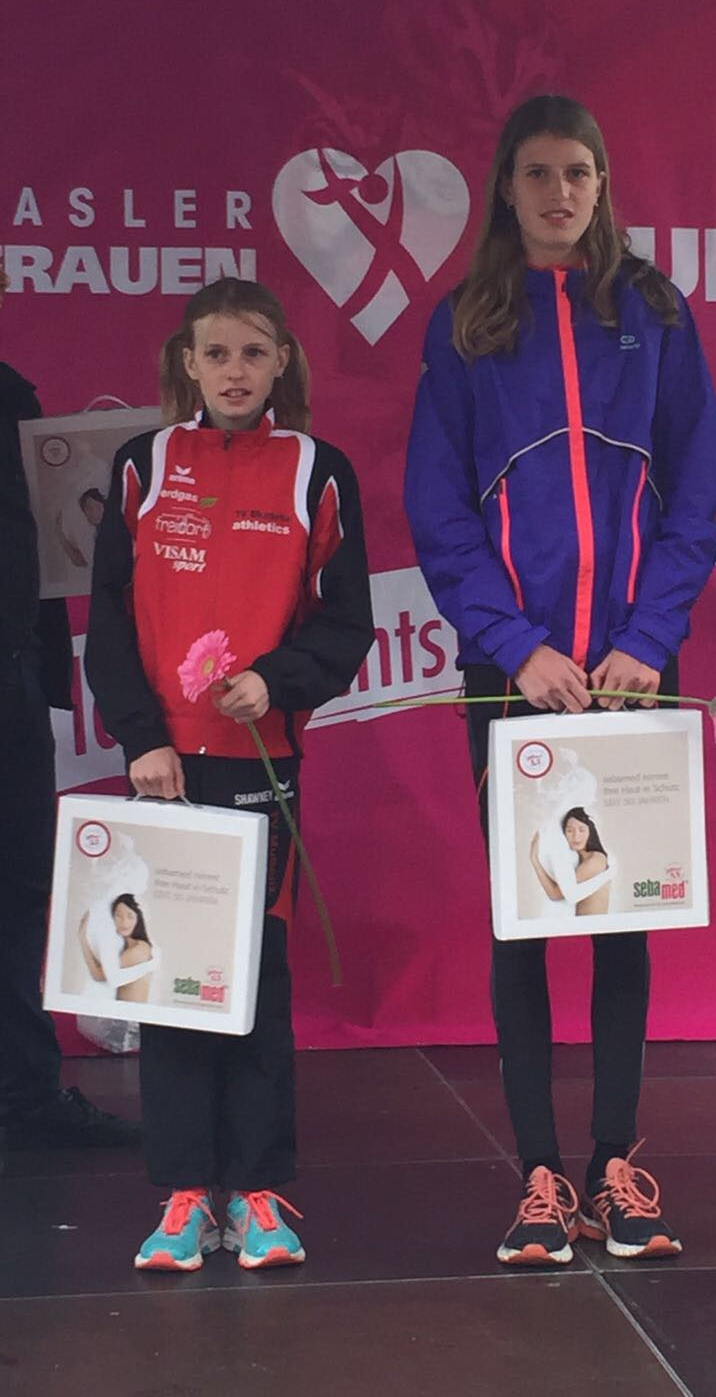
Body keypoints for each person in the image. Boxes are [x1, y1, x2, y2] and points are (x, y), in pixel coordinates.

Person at [405, 94, 716, 1266]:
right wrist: (513, 645)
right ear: (507, 188)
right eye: (537, 173)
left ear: (603, 184)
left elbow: (699, 487)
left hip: (635, 664)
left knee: (623, 921)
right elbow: (438, 511)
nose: (558, 193)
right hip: (516, 672)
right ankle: (541, 1172)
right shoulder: (467, 324)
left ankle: (618, 1167)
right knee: (527, 919)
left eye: (578, 172)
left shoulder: (649, 310)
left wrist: (647, 635)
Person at [85, 277, 373, 1271]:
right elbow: (109, 620)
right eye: (216, 354)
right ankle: (178, 1194)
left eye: (254, 352)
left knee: (254, 977)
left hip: (264, 763)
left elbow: (346, 624)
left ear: (281, 360)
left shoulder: (317, 471)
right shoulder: (142, 465)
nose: (236, 371)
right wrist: (139, 738)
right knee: (170, 984)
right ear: (187, 364)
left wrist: (275, 681)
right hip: (164, 767)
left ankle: (257, 1191)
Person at [0, 265, 138, 1174]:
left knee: (17, 889)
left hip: (5, 676)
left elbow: (43, 545)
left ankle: (25, 1091)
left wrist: (47, 681)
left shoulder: (12, 393)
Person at [530, 808, 613, 917]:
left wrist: (534, 860)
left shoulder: (595, 860)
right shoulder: (581, 861)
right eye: (570, 831)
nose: (576, 836)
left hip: (593, 927)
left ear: (590, 831)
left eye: (581, 830)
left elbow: (555, 894)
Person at [78, 894, 155, 1002]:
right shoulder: (128, 947)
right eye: (118, 916)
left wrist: (82, 939)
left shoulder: (139, 949)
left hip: (131, 1015)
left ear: (138, 919)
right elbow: (103, 969)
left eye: (130, 916)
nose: (124, 922)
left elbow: (99, 975)